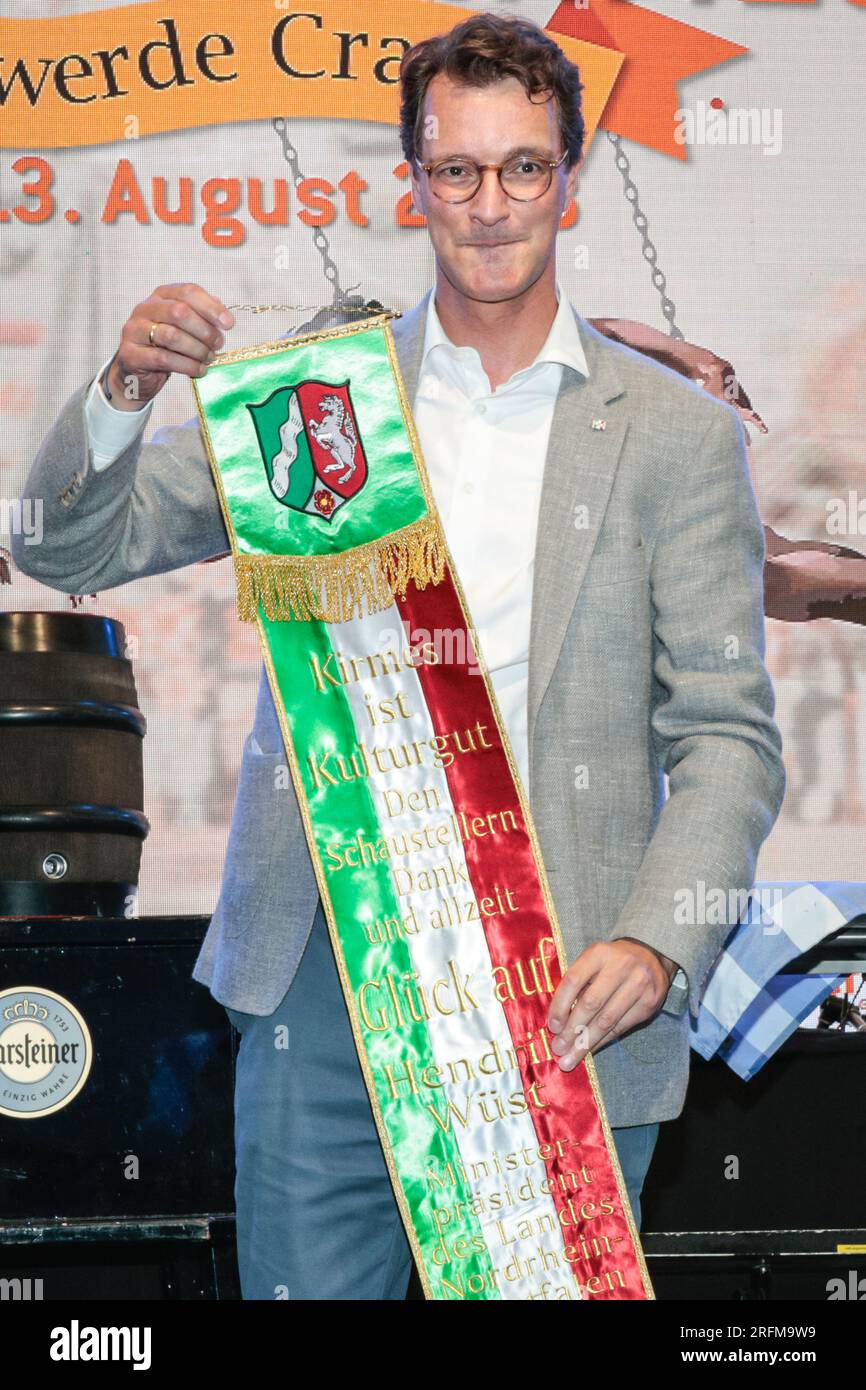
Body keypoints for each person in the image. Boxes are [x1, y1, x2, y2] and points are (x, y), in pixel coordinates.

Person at [12, 12, 785, 1299]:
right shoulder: (311, 392)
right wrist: (120, 388)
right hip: (329, 974)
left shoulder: (678, 438)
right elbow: (70, 546)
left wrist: (658, 940)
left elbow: (726, 734)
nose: (491, 206)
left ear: (569, 180)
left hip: (573, 981)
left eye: (523, 168)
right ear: (411, 183)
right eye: (457, 171)